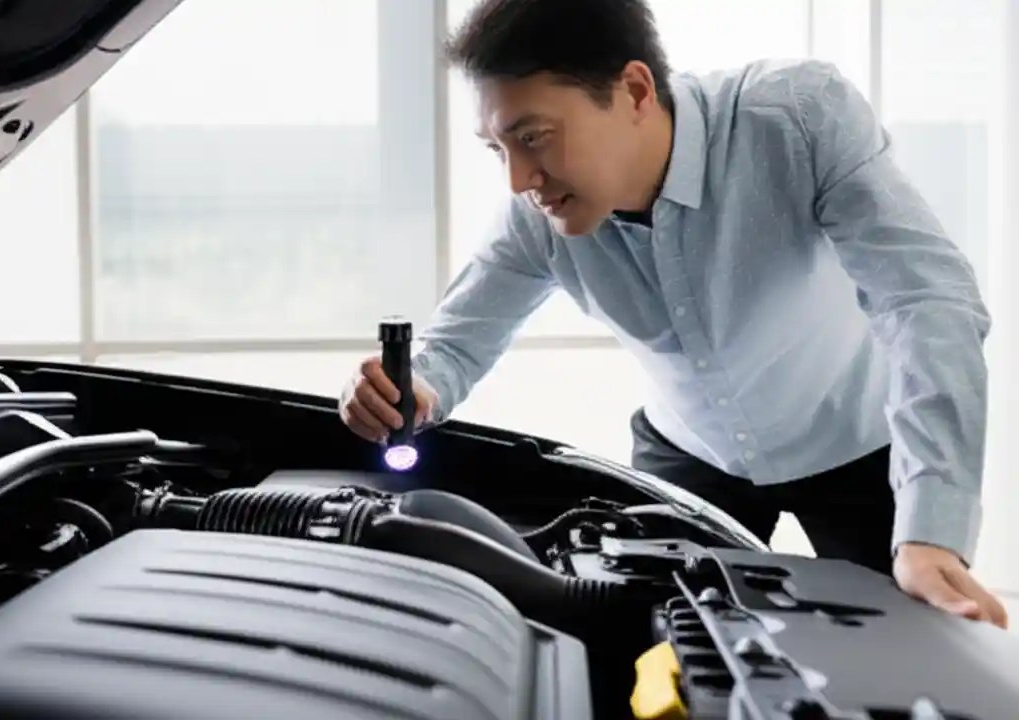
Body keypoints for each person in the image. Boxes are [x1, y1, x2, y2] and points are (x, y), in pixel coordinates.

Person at [338, 0, 1008, 628]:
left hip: (856, 442)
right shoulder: (534, 217)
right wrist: (410, 388)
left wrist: (932, 530)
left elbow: (926, 300)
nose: (518, 180)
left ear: (634, 91)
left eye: (534, 137)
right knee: (650, 645)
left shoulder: (799, 119)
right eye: (497, 149)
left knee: (909, 644)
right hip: (692, 451)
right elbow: (450, 352)